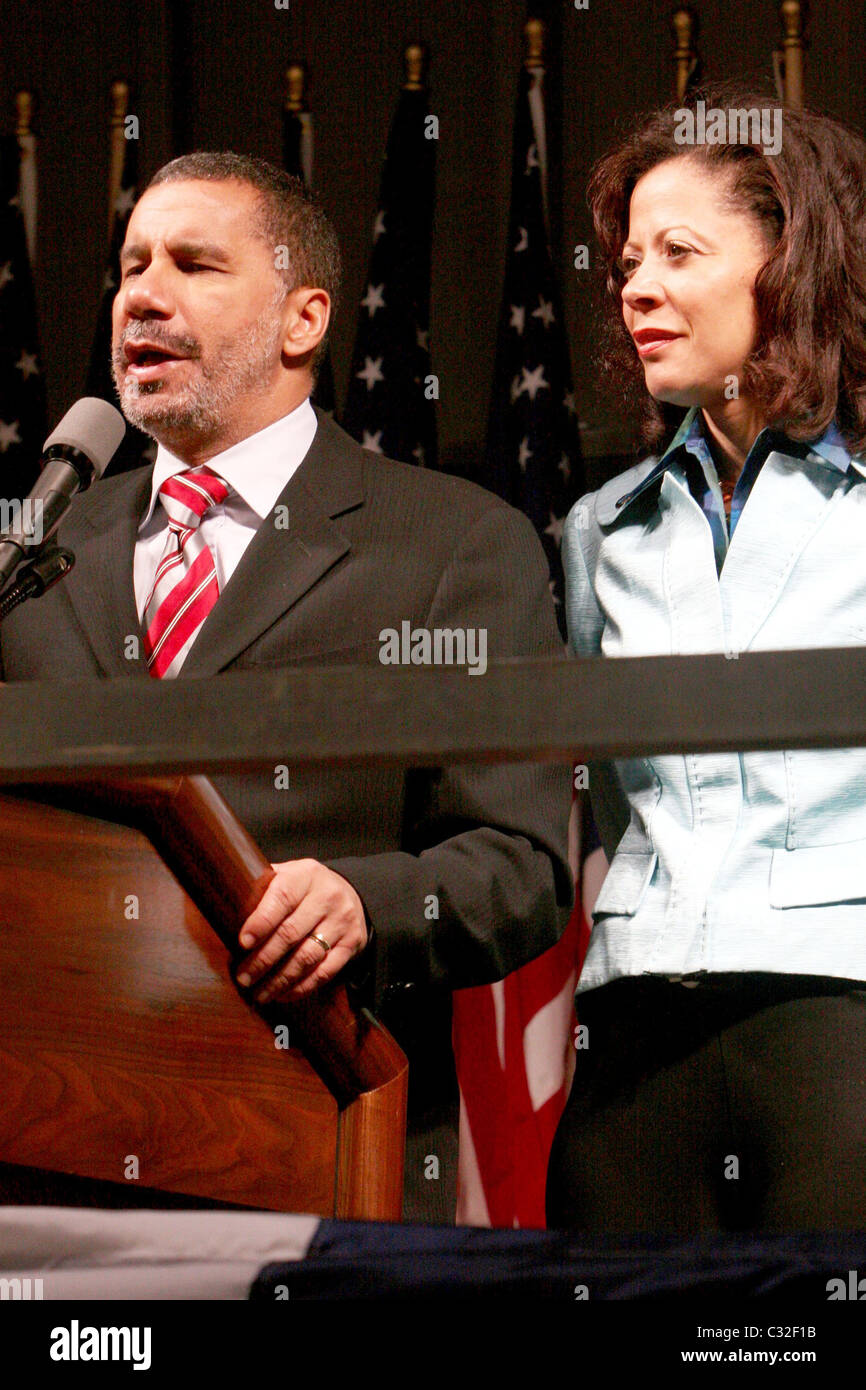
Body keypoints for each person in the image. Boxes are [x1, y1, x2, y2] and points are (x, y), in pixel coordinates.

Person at [0, 151, 573, 1219]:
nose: (143, 294)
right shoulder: (40, 551)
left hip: (313, 1128)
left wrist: (364, 903)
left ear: (303, 319)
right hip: (45, 1140)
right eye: (131, 265)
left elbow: (521, 863)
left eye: (194, 263)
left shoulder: (451, 543)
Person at [547, 88, 866, 1232]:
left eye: (680, 251)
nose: (636, 285)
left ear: (789, 263)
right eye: (628, 258)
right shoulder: (598, 529)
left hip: (839, 1012)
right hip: (634, 1026)